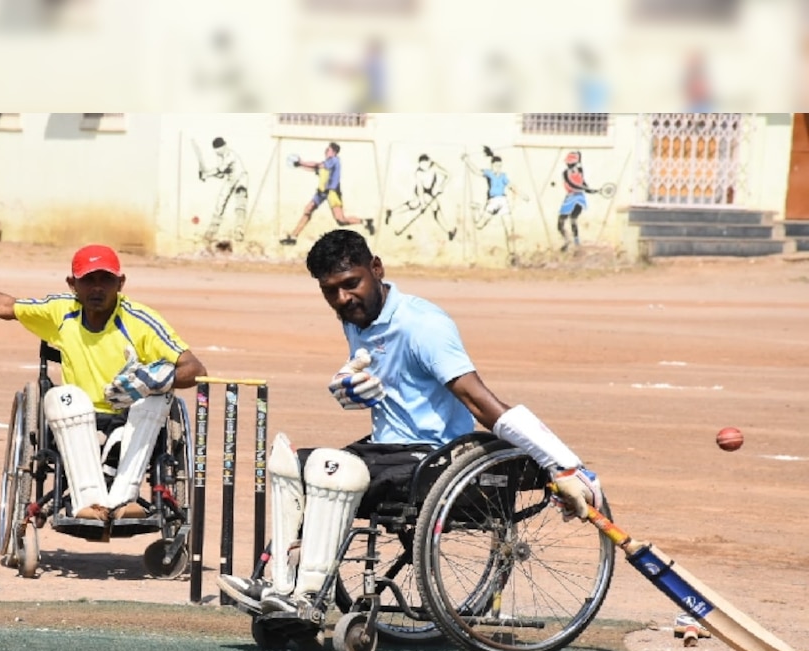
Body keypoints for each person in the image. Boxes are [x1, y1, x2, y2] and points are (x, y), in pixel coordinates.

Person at [218, 229, 603, 615]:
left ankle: (304, 599)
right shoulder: (356, 317)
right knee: (293, 464)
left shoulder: (423, 325)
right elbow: (387, 377)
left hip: (434, 456)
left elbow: (480, 401)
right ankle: (280, 584)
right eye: (330, 290)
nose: (342, 298)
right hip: (388, 449)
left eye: (351, 284)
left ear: (376, 268)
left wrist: (562, 462)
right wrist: (347, 386)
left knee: (327, 469)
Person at [0, 244, 208, 522]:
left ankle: (123, 500)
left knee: (158, 397)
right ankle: (89, 503)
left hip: (130, 417)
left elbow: (195, 368)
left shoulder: (141, 320)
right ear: (72, 284)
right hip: (77, 417)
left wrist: (154, 380)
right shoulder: (60, 311)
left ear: (121, 283)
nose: (98, 288)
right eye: (89, 280)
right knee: (65, 397)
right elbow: (5, 307)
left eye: (106, 279)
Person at [280, 142, 375, 245]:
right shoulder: (327, 163)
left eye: (328, 150)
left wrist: (301, 162)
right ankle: (293, 237)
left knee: (341, 220)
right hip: (321, 193)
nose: (326, 151)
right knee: (308, 210)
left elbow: (317, 165)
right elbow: (315, 168)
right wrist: (300, 165)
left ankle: (365, 222)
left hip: (332, 193)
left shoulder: (334, 161)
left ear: (334, 152)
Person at [385, 153, 456, 241]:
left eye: (426, 164)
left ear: (429, 162)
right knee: (429, 206)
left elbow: (448, 175)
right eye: (422, 165)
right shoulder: (418, 173)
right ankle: (449, 231)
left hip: (429, 191)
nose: (424, 167)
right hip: (421, 192)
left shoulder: (434, 167)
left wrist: (442, 186)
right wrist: (422, 204)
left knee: (415, 205)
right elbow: (420, 189)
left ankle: (391, 212)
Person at [201, 136, 249, 249]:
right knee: (220, 202)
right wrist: (208, 175)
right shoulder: (221, 156)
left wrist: (207, 174)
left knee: (240, 205)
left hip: (241, 178)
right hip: (231, 179)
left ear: (223, 147)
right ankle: (211, 232)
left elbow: (220, 170)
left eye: (218, 150)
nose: (217, 153)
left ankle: (239, 231)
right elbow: (221, 174)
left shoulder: (230, 155)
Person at [462, 150, 518, 232]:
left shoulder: (503, 176)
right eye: (496, 166)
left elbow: (511, 186)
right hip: (493, 201)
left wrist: (521, 195)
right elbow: (476, 171)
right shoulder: (489, 173)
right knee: (479, 226)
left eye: (500, 166)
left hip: (503, 200)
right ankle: (477, 208)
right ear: (492, 165)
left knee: (510, 228)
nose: (498, 168)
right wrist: (467, 160)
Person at [557, 150, 598, 252]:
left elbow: (582, 183)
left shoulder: (579, 170)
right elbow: (572, 184)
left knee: (569, 220)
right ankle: (571, 241)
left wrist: (588, 189)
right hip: (573, 197)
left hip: (576, 198)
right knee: (565, 222)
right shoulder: (568, 172)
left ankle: (574, 243)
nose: (568, 164)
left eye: (570, 162)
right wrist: (585, 188)